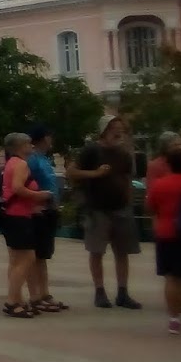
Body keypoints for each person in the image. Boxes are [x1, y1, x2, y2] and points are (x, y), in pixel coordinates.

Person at [66, 114, 142, 309]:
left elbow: (127, 179)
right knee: (97, 250)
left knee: (122, 251)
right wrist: (95, 174)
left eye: (121, 129)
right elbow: (71, 172)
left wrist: (129, 202)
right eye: (114, 128)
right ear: (104, 130)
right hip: (97, 209)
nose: (118, 133)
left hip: (121, 209)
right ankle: (100, 292)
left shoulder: (124, 153)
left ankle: (123, 293)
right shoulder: (91, 150)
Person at [144, 148, 181, 335]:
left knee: (171, 277)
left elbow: (150, 207)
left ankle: (174, 320)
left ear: (169, 164)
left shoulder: (161, 184)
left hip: (167, 234)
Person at [0, 131, 51, 317]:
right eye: (28, 143)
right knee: (27, 258)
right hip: (20, 216)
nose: (31, 146)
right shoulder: (21, 164)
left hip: (11, 216)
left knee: (15, 260)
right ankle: (12, 301)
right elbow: (18, 188)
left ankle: (17, 298)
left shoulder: (11, 163)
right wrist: (41, 195)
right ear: (19, 146)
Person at [26, 126, 67, 312]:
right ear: (43, 138)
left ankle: (44, 293)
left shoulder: (45, 158)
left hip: (50, 209)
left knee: (43, 255)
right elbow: (26, 182)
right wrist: (35, 202)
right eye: (50, 136)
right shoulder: (33, 159)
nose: (52, 140)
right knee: (35, 256)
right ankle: (35, 295)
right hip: (39, 211)